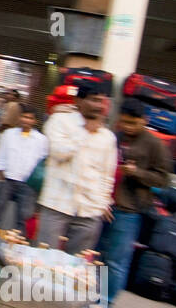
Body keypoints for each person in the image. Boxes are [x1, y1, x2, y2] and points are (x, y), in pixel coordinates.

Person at [88, 98, 170, 308]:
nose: (128, 127)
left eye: (133, 123)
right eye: (124, 122)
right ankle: (88, 297)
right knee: (96, 255)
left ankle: (105, 302)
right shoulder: (113, 136)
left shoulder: (154, 144)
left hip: (129, 210)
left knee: (115, 261)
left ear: (145, 120)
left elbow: (163, 179)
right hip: (103, 204)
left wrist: (137, 173)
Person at [37, 82, 117, 254]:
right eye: (94, 100)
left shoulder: (107, 137)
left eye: (102, 101)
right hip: (56, 205)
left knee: (76, 267)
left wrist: (103, 202)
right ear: (78, 101)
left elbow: (107, 174)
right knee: (42, 261)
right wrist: (85, 132)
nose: (99, 106)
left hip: (89, 211)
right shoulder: (59, 121)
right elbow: (59, 152)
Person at [0, 108, 49, 233]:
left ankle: (19, 241)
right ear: (20, 118)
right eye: (24, 117)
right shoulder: (9, 134)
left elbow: (43, 162)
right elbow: (1, 154)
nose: (26, 120)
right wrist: (0, 173)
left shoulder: (41, 139)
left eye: (30, 118)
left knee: (23, 215)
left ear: (35, 121)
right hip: (8, 178)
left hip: (28, 182)